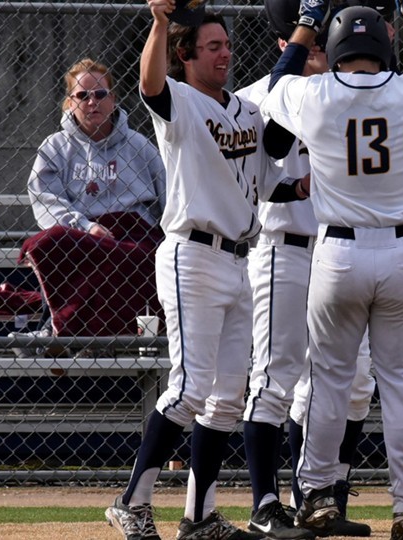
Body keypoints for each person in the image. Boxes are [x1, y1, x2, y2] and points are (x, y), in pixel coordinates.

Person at [261, 1, 403, 538]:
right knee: (401, 385)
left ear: (334, 49)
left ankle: (316, 494)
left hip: (338, 252)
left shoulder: (314, 94)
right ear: (384, 45)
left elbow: (276, 86)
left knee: (329, 381)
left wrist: (306, 22)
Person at [103, 3, 298, 540]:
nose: (224, 54)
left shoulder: (248, 112)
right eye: (213, 47)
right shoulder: (181, 103)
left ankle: (199, 516)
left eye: (227, 45)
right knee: (189, 389)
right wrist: (161, 24)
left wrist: (305, 184)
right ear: (186, 57)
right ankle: (131, 503)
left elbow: (269, 176)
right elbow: (149, 85)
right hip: (191, 254)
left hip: (239, 258)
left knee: (228, 397)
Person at [235, 0, 379, 537]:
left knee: (355, 382)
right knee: (275, 377)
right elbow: (250, 177)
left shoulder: (352, 92)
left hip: (340, 252)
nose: (320, 49)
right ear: (285, 43)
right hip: (284, 246)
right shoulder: (255, 98)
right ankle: (265, 505)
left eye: (324, 40)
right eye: (310, 40)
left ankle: (324, 499)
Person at [15, 58, 166, 351]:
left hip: (131, 233)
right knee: (49, 242)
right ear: (70, 102)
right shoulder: (55, 147)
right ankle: (60, 328)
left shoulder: (139, 146)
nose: (92, 102)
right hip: (83, 234)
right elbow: (46, 199)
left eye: (100, 94)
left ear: (113, 99)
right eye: (82, 95)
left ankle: (64, 331)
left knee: (146, 253)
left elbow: (169, 195)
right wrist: (85, 226)